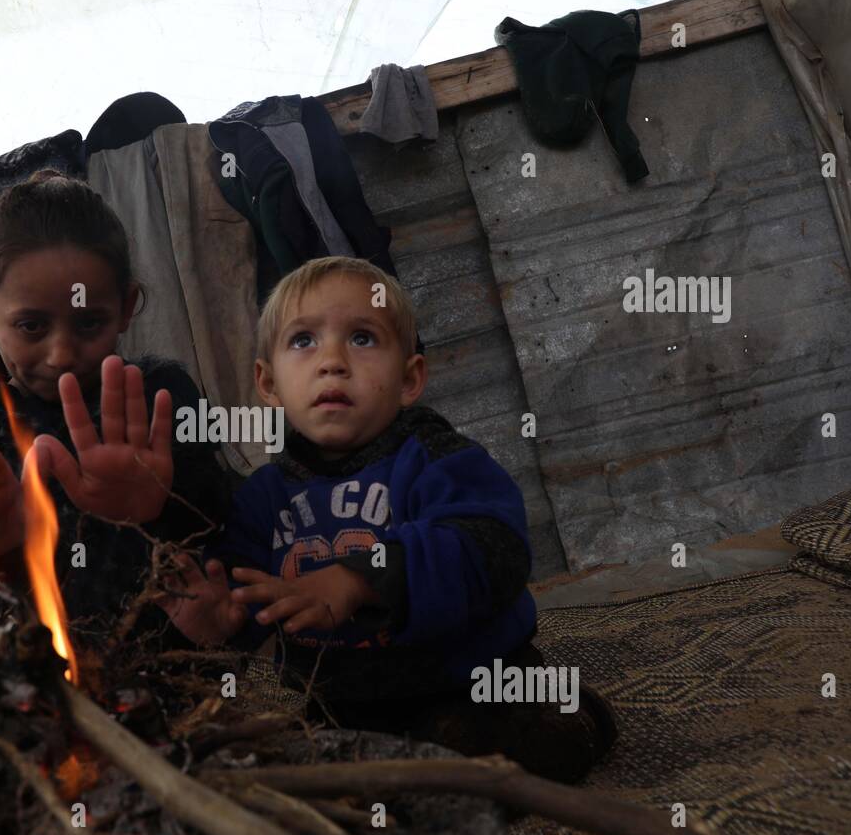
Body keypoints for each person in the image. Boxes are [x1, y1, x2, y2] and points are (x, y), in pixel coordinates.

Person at [159, 256, 616, 783]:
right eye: (303, 341)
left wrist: (362, 579)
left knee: (502, 747)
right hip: (344, 705)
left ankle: (578, 717)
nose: (332, 361)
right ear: (268, 385)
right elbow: (244, 585)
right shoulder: (264, 497)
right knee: (286, 772)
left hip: (471, 682)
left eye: (362, 339)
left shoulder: (437, 458)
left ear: (408, 378)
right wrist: (223, 619)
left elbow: (493, 549)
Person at [0, 171, 227, 643]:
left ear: (126, 306)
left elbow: (220, 521)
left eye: (89, 323)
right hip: (22, 688)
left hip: (161, 677)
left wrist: (158, 504)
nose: (62, 354)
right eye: (31, 326)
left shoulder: (156, 396)